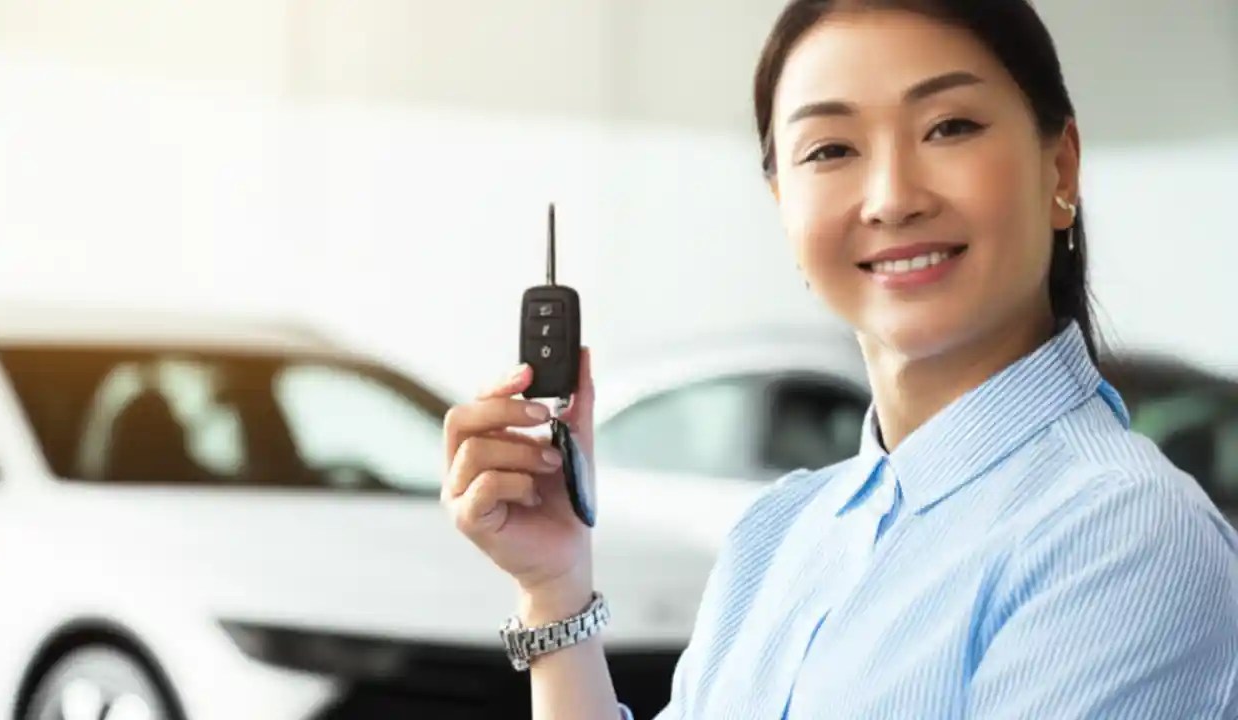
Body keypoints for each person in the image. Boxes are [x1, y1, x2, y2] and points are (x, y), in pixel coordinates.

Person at [440, 1, 1238, 717]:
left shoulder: (1124, 535)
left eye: (949, 127)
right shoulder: (777, 535)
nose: (892, 197)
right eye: (830, 149)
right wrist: (554, 589)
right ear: (783, 205)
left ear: (1059, 166)